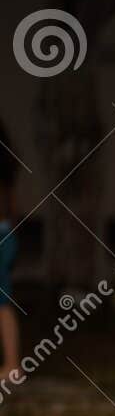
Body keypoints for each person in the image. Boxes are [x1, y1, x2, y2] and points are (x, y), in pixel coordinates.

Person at [0, 117, 20, 385]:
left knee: (2, 304)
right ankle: (12, 362)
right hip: (7, 233)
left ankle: (13, 363)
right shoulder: (8, 164)